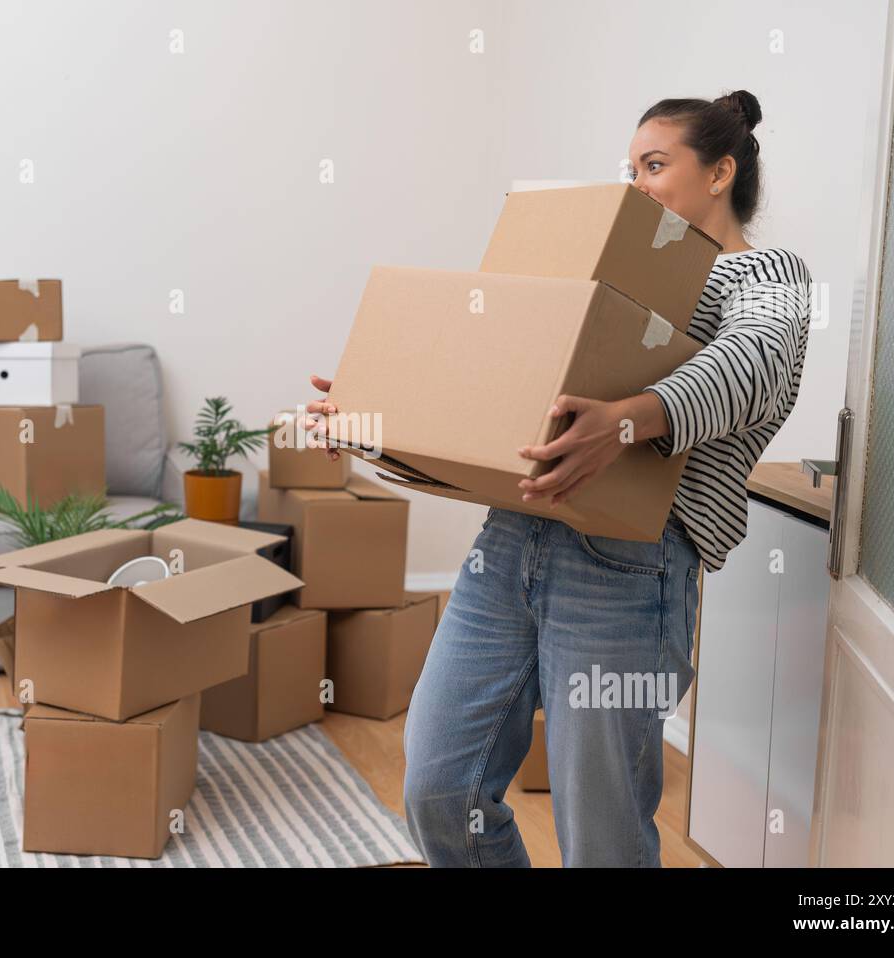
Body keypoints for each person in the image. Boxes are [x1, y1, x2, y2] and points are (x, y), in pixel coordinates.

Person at [303, 90, 812, 867]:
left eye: (655, 164)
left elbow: (757, 362)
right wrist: (376, 407)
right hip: (508, 543)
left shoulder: (764, 275)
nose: (635, 182)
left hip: (629, 570)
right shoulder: (607, 266)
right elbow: (503, 372)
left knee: (601, 838)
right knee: (440, 786)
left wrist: (630, 418)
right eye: (629, 166)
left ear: (720, 173)